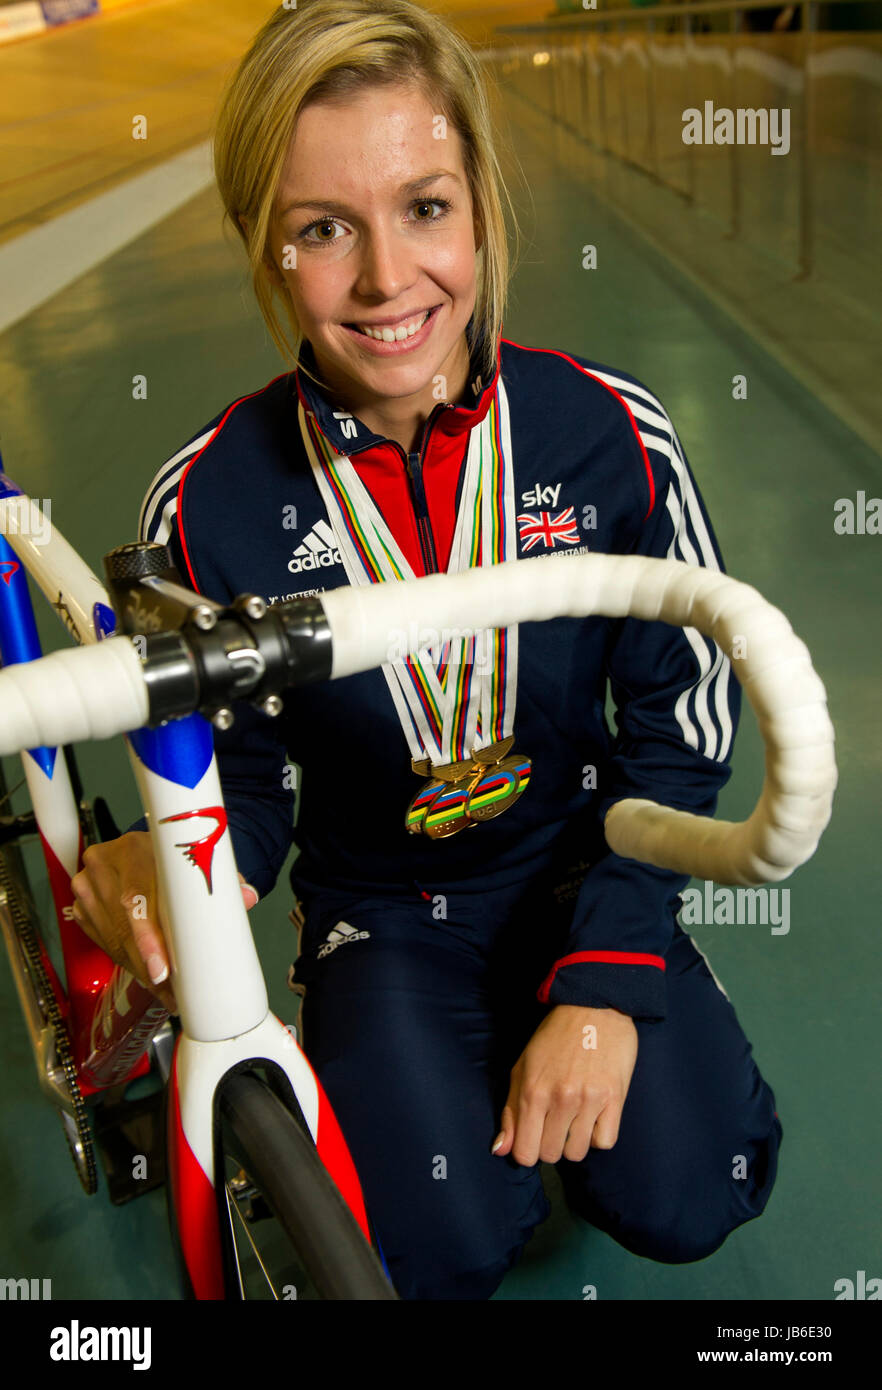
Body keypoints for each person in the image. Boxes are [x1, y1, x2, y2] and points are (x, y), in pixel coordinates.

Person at [70, 0, 782, 1301]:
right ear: (263, 246)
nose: (389, 279)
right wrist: (180, 875)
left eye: (425, 207)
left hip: (583, 862)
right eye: (323, 229)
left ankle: (635, 989)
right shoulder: (207, 503)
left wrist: (608, 977)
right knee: (423, 1247)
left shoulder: (606, 435)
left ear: (482, 210)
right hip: (385, 917)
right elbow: (253, 785)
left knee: (698, 1185)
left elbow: (675, 736)